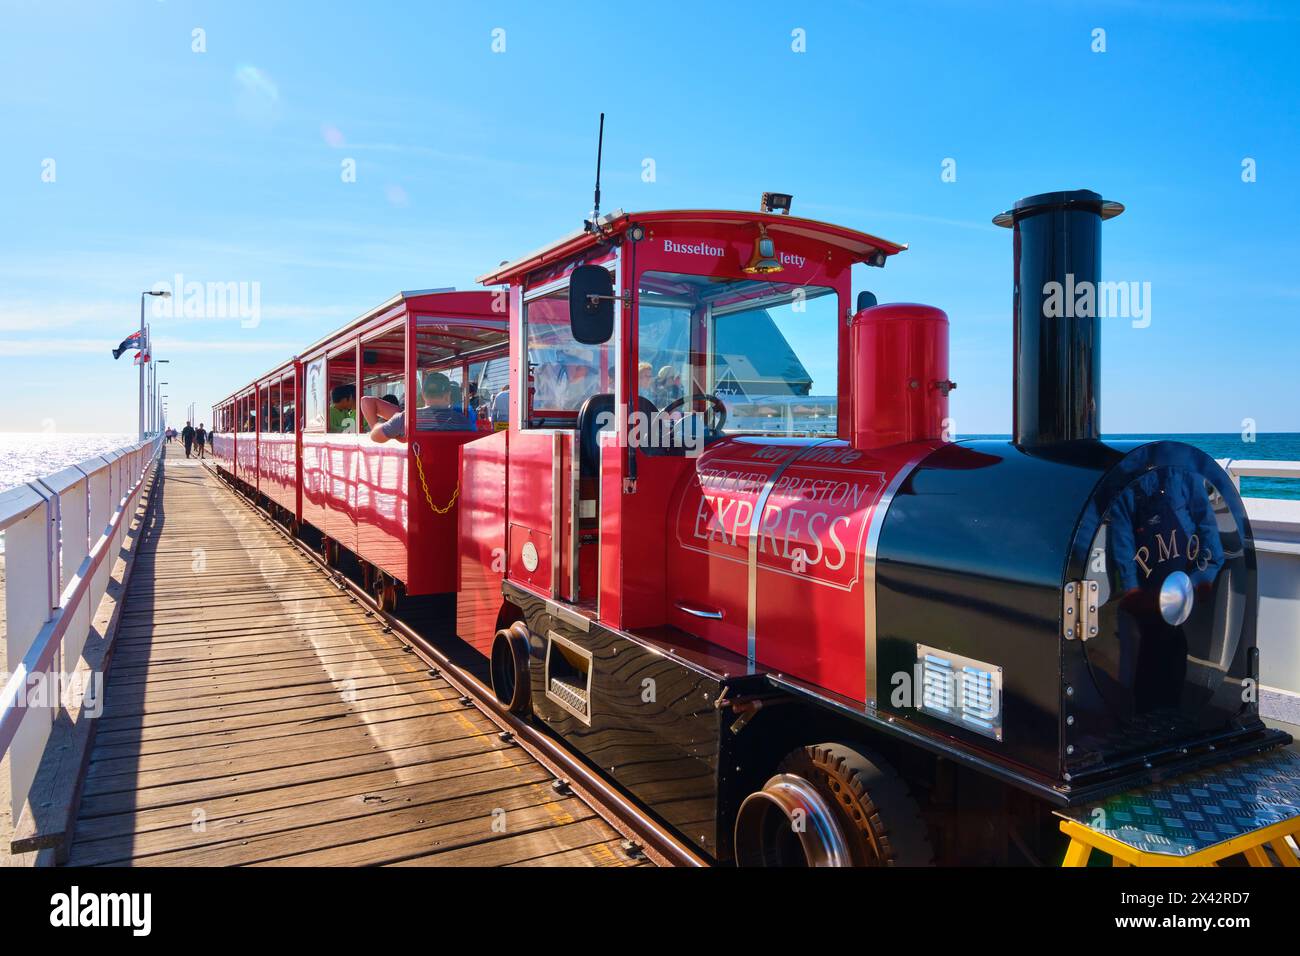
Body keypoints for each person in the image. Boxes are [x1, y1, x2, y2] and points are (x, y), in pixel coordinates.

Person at [362, 371, 471, 444]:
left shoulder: (407, 418)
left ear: (423, 394)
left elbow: (375, 437)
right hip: (455, 475)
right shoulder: (464, 421)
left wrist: (385, 428)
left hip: (420, 474)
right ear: (448, 394)